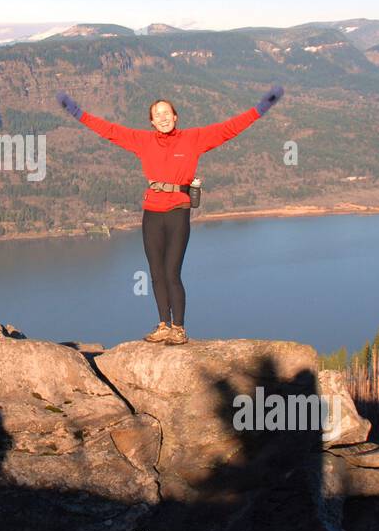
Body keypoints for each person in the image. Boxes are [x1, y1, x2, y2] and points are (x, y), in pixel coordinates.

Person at [55, 84, 283, 344]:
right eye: (157, 114)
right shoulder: (143, 141)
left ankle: (179, 328)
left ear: (175, 117)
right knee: (156, 272)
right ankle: (163, 324)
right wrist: (77, 113)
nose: (163, 118)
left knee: (172, 272)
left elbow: (228, 129)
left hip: (178, 210)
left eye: (167, 113)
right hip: (152, 212)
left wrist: (260, 109)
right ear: (151, 122)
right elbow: (109, 131)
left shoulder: (193, 139)